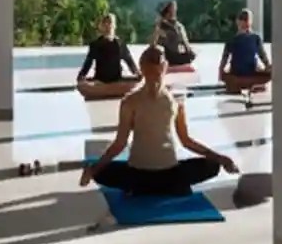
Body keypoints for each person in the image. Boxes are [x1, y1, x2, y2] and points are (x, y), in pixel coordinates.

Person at [80, 44, 239, 195]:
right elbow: (185, 141)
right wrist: (94, 170)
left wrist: (220, 159)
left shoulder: (168, 101)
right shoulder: (134, 101)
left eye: (156, 65)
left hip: (152, 175)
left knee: (213, 165)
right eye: (152, 65)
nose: (154, 71)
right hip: (152, 175)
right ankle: (167, 187)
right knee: (211, 165)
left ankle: (145, 189)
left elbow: (120, 144)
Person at [76, 14, 141, 100]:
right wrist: (81, 76)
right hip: (100, 81)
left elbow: (129, 61)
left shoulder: (120, 44)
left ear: (114, 26)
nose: (107, 26)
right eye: (105, 23)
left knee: (135, 83)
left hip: (117, 80)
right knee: (83, 85)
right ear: (101, 27)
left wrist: (137, 73)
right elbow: (88, 63)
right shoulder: (96, 44)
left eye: (110, 23)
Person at [218, 9, 272, 94]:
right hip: (247, 74)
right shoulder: (254, 38)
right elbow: (264, 58)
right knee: (268, 72)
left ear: (238, 22)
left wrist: (221, 73)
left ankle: (235, 86)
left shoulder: (233, 39)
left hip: (240, 75)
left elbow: (224, 61)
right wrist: (267, 68)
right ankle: (253, 85)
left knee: (227, 76)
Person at [150, 1, 196, 71]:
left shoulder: (178, 26)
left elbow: (186, 45)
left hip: (173, 55)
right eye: (171, 11)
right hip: (166, 55)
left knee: (190, 56)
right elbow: (153, 44)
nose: (173, 13)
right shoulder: (161, 26)